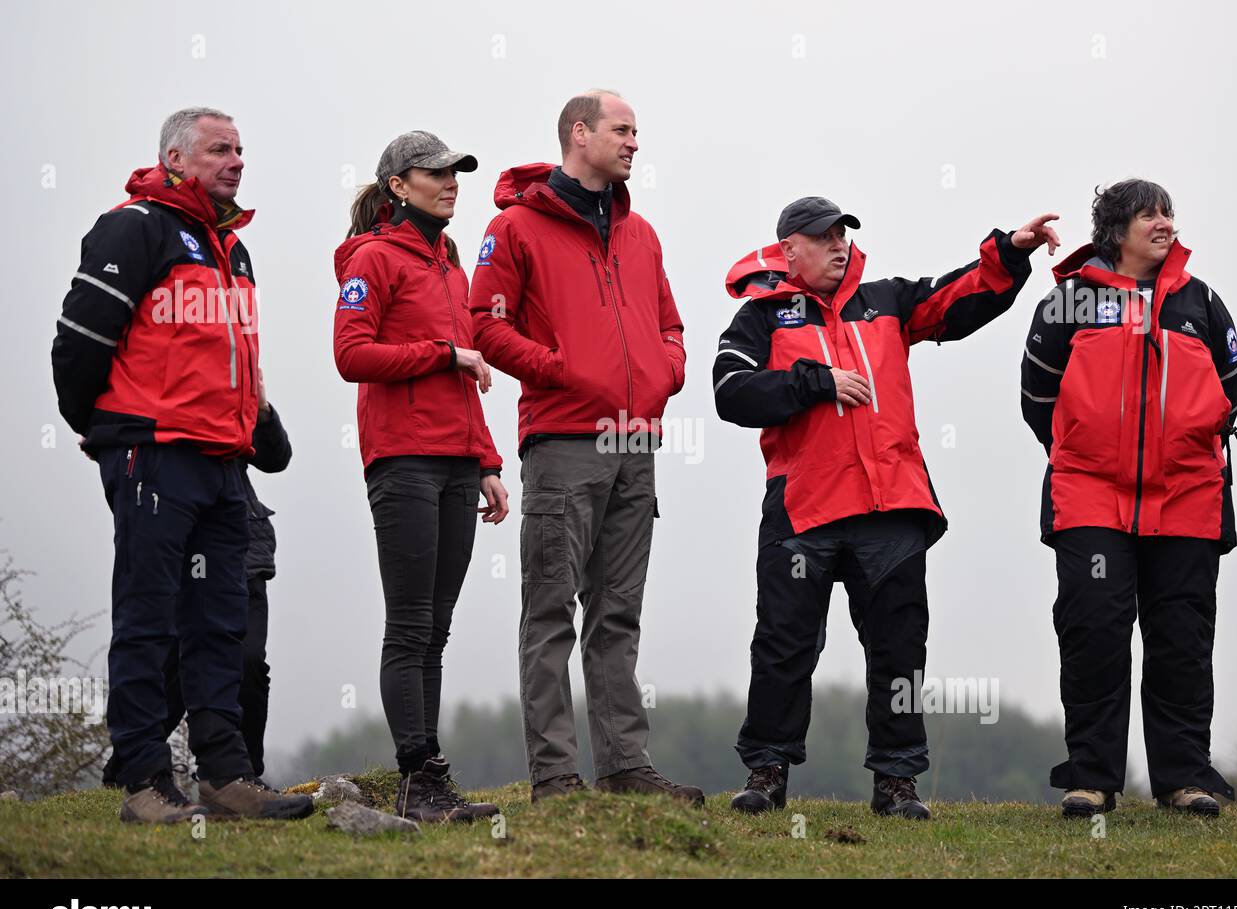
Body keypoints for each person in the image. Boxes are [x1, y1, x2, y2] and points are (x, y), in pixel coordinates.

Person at [715, 196, 1058, 819]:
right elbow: (730, 392)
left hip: (893, 511)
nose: (838, 243)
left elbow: (960, 299)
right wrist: (814, 383)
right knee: (783, 648)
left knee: (899, 653)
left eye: (843, 233)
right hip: (803, 514)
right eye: (822, 237)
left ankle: (897, 784)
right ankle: (766, 774)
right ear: (789, 249)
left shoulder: (889, 300)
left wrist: (1012, 250)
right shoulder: (760, 319)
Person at [50, 107, 312, 822]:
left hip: (224, 462)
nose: (236, 160)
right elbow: (77, 341)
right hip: (155, 454)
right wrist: (105, 427)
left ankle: (226, 776)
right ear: (174, 157)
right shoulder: (134, 227)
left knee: (220, 623)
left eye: (240, 149)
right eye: (219, 149)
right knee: (148, 621)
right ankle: (144, 784)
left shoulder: (231, 247)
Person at [470, 90, 701, 805]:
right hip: (564, 442)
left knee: (618, 612)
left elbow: (671, 326)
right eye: (623, 130)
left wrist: (666, 374)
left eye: (637, 132)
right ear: (580, 133)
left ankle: (626, 765)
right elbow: (485, 324)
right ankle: (555, 776)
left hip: (637, 443)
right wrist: (559, 369)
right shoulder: (514, 227)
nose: (635, 143)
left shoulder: (643, 234)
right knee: (549, 611)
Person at [1020, 179, 1237, 818]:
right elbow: (1039, 399)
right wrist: (1088, 454)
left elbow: (1230, 389)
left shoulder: (1202, 303)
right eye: (1148, 213)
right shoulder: (1068, 304)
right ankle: (1091, 779)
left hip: (1189, 498)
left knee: (1181, 638)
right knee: (1095, 631)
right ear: (1116, 230)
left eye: (1168, 210)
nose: (1163, 222)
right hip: (1090, 498)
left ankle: (1183, 778)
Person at [334, 130, 506, 823]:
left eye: (455, 171)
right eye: (434, 172)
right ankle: (418, 775)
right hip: (402, 458)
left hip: (459, 462)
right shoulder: (372, 259)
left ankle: (427, 781)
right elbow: (351, 354)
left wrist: (488, 461)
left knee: (436, 625)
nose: (451, 181)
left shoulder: (452, 265)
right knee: (409, 625)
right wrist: (443, 354)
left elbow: (468, 377)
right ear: (397, 186)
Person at [100, 371, 292, 787]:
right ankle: (133, 769)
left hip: (242, 544)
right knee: (171, 667)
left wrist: (262, 407)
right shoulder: (154, 382)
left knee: (247, 664)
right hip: (175, 540)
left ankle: (244, 777)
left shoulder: (232, 369)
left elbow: (277, 457)